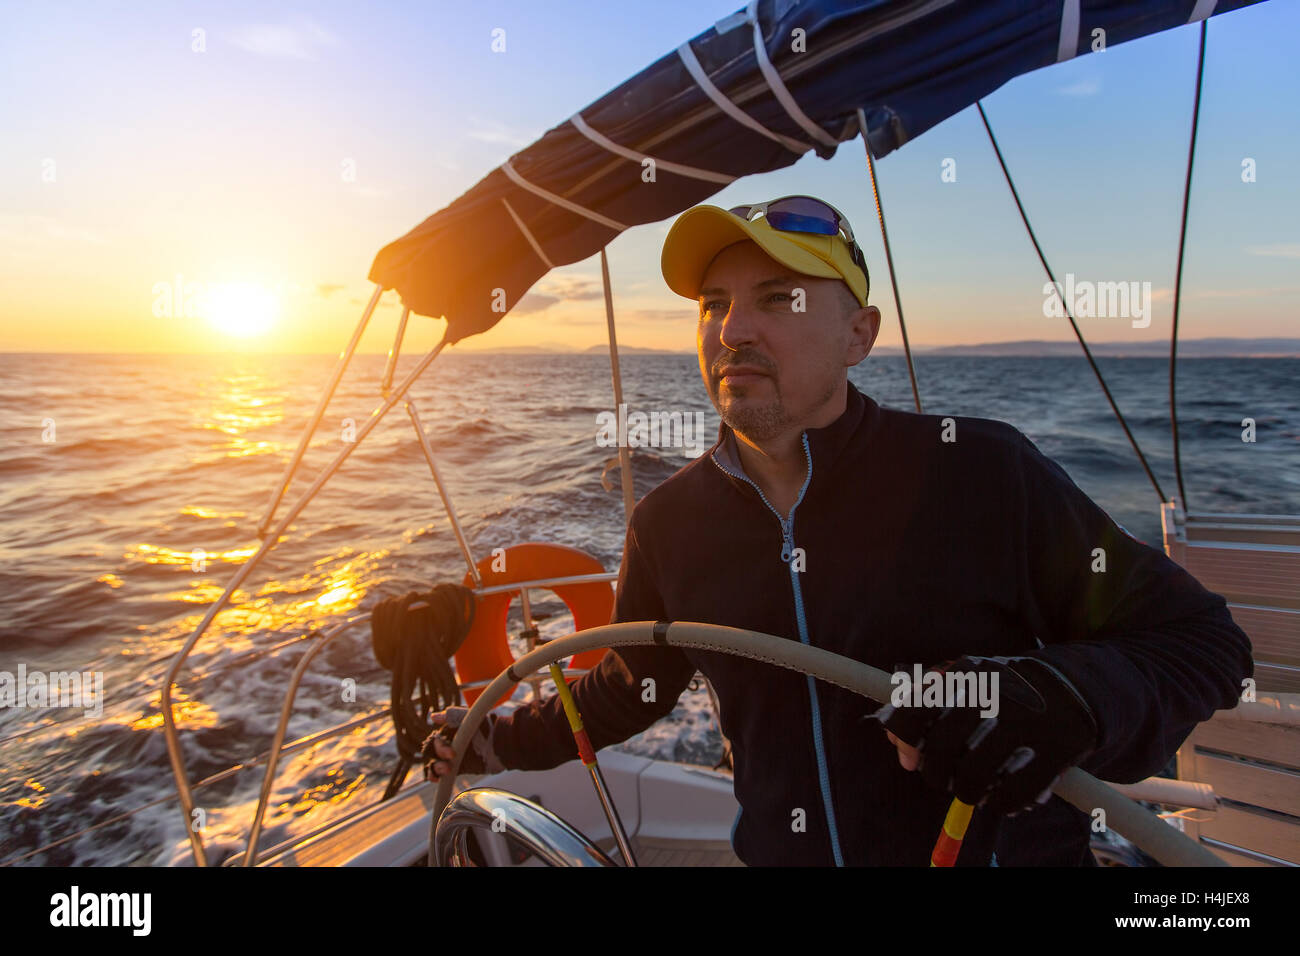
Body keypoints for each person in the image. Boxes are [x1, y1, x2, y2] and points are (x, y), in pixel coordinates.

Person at [426, 195, 1253, 866]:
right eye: (714, 305)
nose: (733, 330)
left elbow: (1203, 642)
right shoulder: (670, 521)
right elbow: (630, 690)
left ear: (860, 334)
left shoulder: (982, 474)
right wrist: (493, 741)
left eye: (777, 299)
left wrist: (1065, 699)